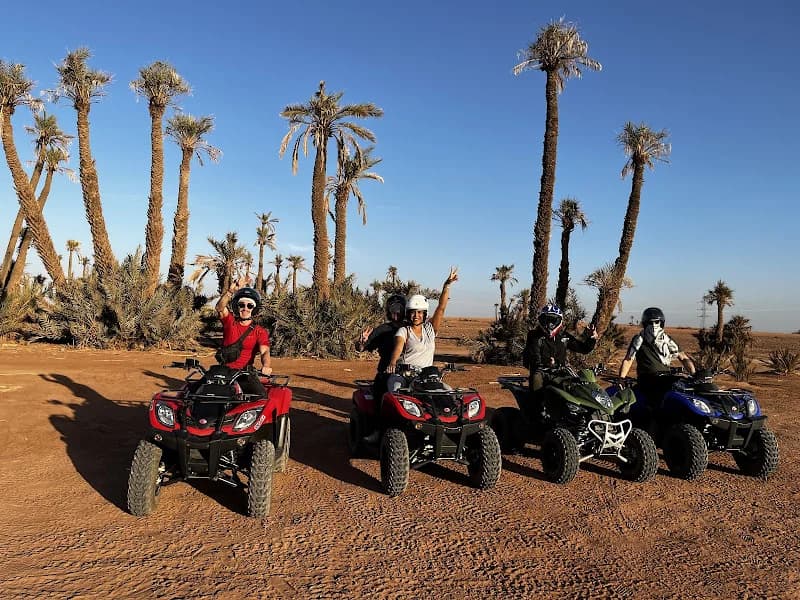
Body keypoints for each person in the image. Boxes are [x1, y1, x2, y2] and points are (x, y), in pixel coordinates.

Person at [386, 267, 459, 392]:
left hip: (426, 376)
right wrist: (393, 362)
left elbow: (441, 308)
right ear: (408, 314)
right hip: (404, 375)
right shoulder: (404, 331)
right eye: (413, 312)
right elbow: (398, 348)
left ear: (425, 314)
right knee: (396, 391)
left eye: (420, 312)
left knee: (449, 392)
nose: (416, 316)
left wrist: (447, 285)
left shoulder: (430, 330)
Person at [619, 306, 696, 408]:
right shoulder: (639, 340)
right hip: (647, 379)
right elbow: (628, 360)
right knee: (657, 403)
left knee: (684, 392)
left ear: (661, 323)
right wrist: (621, 378)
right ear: (645, 323)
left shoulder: (668, 340)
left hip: (666, 378)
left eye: (657, 322)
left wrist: (694, 375)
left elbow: (684, 358)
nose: (654, 325)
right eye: (650, 322)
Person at [523, 303, 598, 398]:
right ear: (541, 320)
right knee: (536, 378)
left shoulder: (563, 337)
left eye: (553, 320)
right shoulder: (534, 335)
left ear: (559, 321)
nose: (550, 324)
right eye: (546, 320)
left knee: (578, 386)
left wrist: (592, 338)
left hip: (561, 372)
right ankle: (536, 405)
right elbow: (534, 355)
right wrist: (546, 362)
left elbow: (584, 349)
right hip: (542, 372)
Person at [215, 277, 272, 397]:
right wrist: (230, 291)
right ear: (237, 307)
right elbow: (220, 308)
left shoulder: (259, 331)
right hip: (224, 371)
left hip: (244, 373)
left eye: (249, 306)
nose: (245, 308)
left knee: (260, 397)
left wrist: (266, 365)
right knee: (198, 393)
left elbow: (265, 351)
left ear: (254, 309)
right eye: (242, 305)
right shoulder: (230, 322)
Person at [356, 293, 407, 376]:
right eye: (393, 309)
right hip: (386, 372)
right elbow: (361, 348)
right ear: (388, 311)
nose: (396, 312)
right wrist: (361, 343)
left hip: (407, 372)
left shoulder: (411, 328)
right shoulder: (381, 330)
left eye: (399, 309)